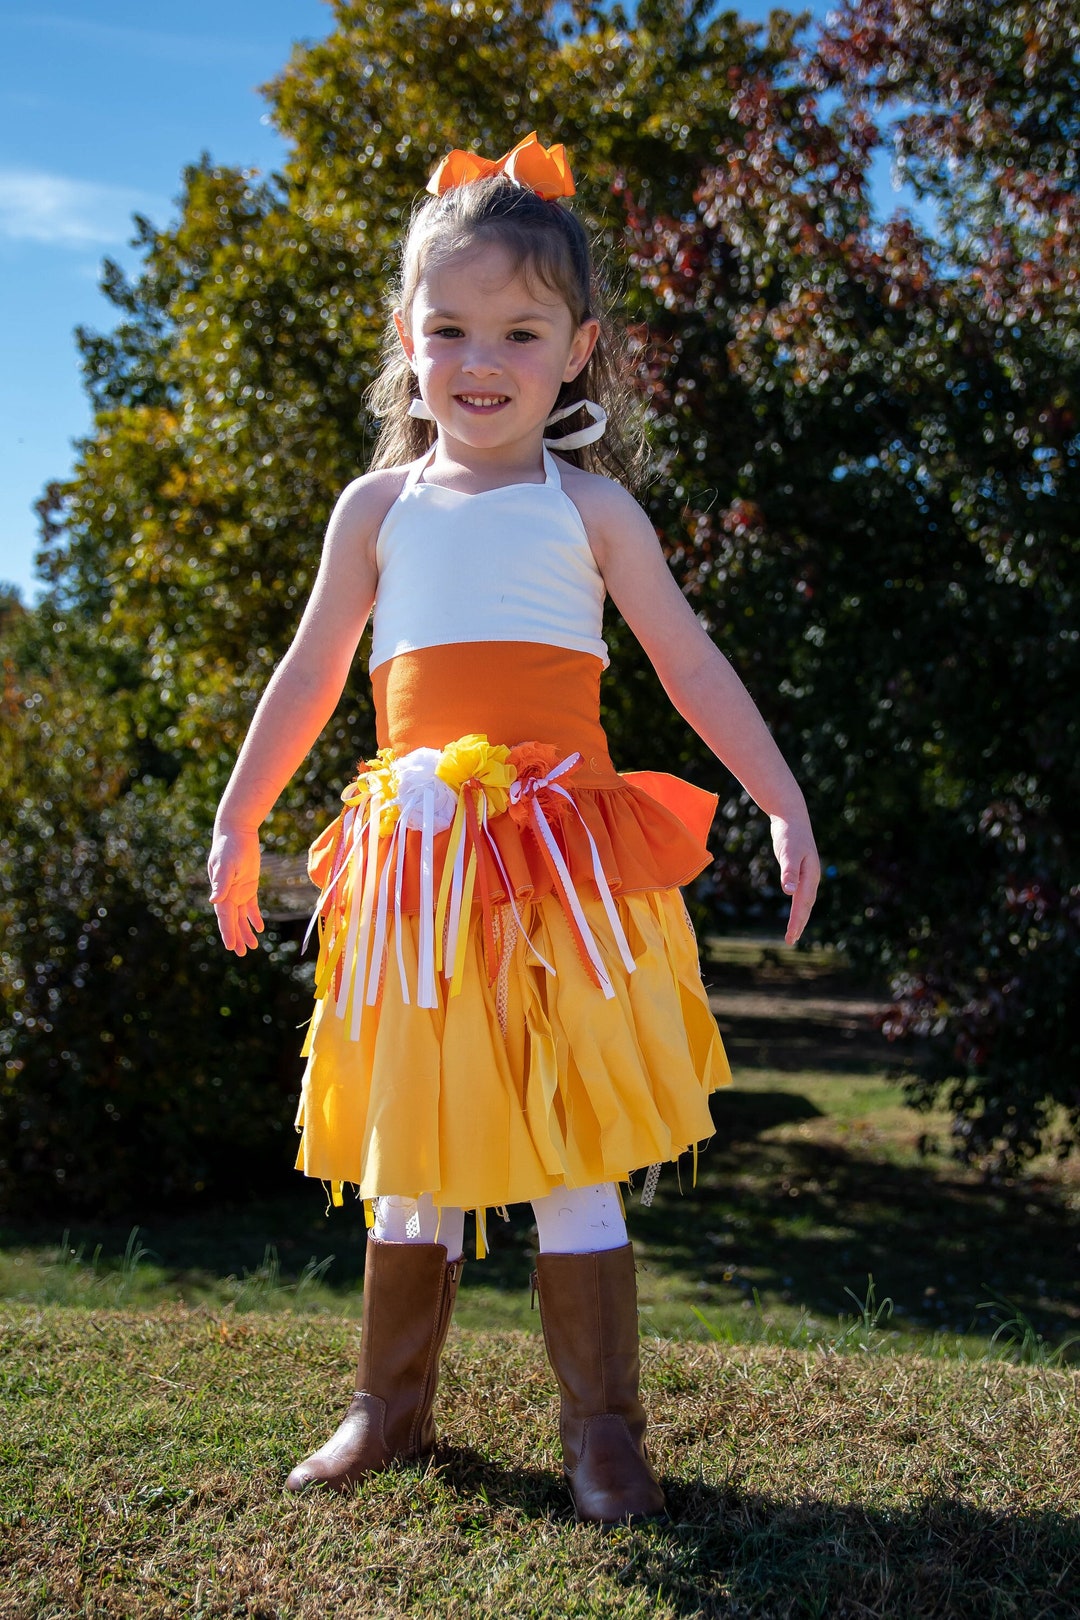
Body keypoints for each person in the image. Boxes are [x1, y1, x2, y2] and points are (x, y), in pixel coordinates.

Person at [208, 133, 819, 1523]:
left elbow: (692, 665)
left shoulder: (591, 509)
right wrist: (241, 821)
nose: (480, 359)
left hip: (562, 880)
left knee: (575, 1151)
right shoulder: (377, 509)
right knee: (409, 1152)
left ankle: (604, 1434)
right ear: (407, 341)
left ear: (578, 349)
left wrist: (780, 796)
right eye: (450, 329)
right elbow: (308, 677)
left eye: (520, 331)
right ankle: (387, 1412)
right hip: (415, 887)